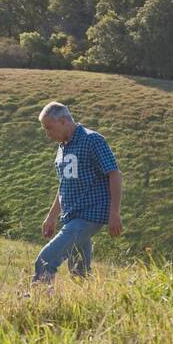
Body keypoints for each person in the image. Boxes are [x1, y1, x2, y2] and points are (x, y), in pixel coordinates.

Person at [34, 102, 123, 283]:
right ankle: (89, 304)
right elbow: (65, 185)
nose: (47, 134)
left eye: (49, 128)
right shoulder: (62, 148)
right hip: (72, 217)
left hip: (90, 215)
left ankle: (38, 305)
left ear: (64, 121)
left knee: (45, 261)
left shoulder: (92, 140)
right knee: (79, 272)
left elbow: (114, 174)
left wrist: (114, 213)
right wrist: (51, 217)